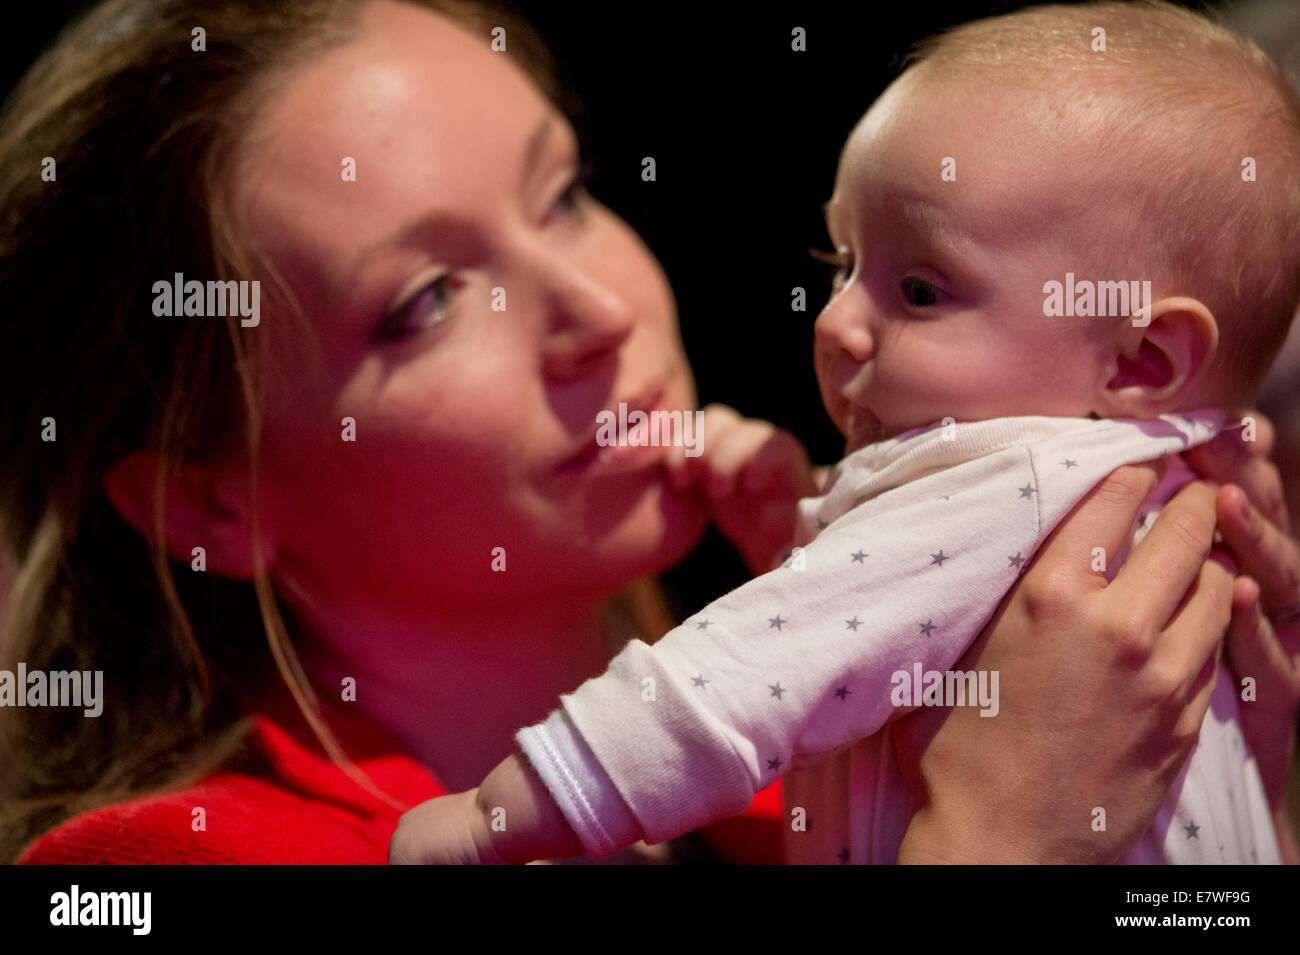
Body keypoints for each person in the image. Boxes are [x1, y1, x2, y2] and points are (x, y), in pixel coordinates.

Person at [1, 0, 1296, 866]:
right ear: (212, 508)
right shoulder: (178, 857)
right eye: (425, 303)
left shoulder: (782, 773)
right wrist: (1001, 841)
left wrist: (1224, 785)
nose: (597, 309)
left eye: (561, 196)